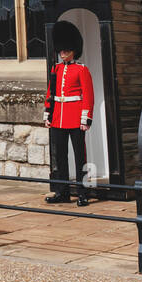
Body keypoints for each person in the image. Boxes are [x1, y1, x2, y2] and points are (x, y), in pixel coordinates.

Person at [44, 23, 94, 207]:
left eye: (66, 50)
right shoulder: (56, 69)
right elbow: (52, 92)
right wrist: (48, 113)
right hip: (59, 117)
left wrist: (85, 118)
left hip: (75, 118)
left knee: (80, 157)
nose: (62, 53)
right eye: (61, 50)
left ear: (73, 50)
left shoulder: (81, 69)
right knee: (61, 158)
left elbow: (88, 95)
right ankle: (62, 192)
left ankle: (83, 192)